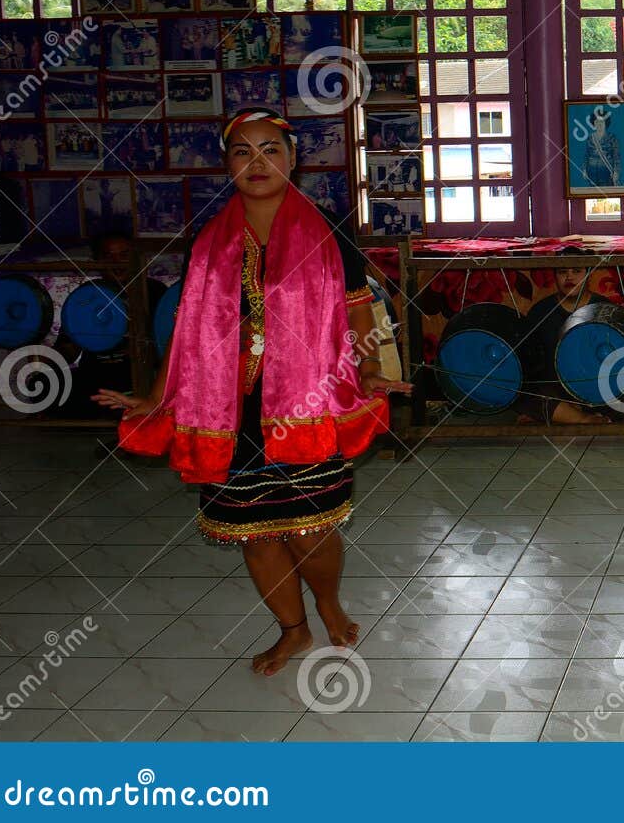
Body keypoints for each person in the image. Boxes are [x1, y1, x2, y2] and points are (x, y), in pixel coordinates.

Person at [95, 109, 412, 677]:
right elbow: (188, 329)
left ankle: (329, 605)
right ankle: (293, 630)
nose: (258, 162)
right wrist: (156, 397)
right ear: (228, 164)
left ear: (293, 159)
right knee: (253, 530)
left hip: (309, 401)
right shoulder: (208, 239)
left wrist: (367, 369)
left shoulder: (328, 229)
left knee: (310, 526)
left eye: (271, 150)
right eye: (243, 151)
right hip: (227, 408)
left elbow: (358, 306)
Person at [54, 232, 167, 421]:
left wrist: (145, 351)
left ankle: (119, 410)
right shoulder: (86, 295)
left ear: (137, 258)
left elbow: (168, 345)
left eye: (124, 255)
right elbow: (68, 348)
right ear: (97, 261)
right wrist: (48, 361)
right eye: (108, 256)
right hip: (97, 375)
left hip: (140, 376)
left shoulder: (155, 291)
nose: (117, 262)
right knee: (49, 387)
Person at [519, 248, 613, 425]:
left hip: (593, 385)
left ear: (588, 275)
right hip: (555, 388)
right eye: (562, 272)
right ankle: (583, 418)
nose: (569, 277)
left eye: (576, 271)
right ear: (555, 276)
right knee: (523, 393)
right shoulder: (541, 311)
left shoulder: (605, 309)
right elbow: (529, 362)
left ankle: (560, 414)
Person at [583, 106, 620, 187]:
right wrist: (584, 170)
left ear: (605, 123)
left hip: (607, 173)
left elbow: (616, 156)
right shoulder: (590, 138)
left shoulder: (612, 138)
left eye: (601, 122)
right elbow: (587, 155)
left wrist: (616, 172)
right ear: (594, 123)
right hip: (592, 173)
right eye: (597, 122)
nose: (599, 124)